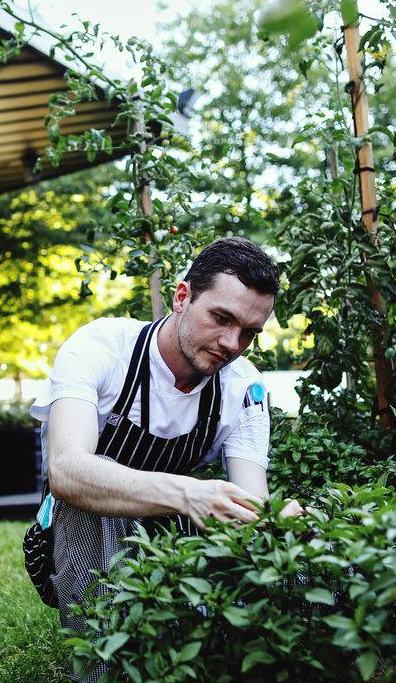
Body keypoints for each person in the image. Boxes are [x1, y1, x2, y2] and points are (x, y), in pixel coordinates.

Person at [22, 237, 298, 659]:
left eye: (248, 333)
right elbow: (66, 472)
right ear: (182, 297)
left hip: (171, 554)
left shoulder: (245, 388)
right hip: (68, 548)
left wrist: (275, 519)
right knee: (90, 481)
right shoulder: (101, 348)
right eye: (221, 318)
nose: (232, 344)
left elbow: (251, 503)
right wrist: (189, 493)